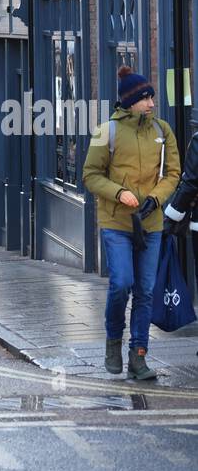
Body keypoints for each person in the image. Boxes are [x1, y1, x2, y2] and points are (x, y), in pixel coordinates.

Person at [82, 65, 181, 381]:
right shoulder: (104, 132)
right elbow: (90, 175)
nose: (152, 103)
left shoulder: (162, 131)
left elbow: (173, 175)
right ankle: (114, 339)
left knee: (145, 292)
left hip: (150, 224)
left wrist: (156, 198)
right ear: (130, 101)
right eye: (146, 98)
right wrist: (120, 192)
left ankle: (139, 356)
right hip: (117, 223)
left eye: (152, 97)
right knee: (122, 282)